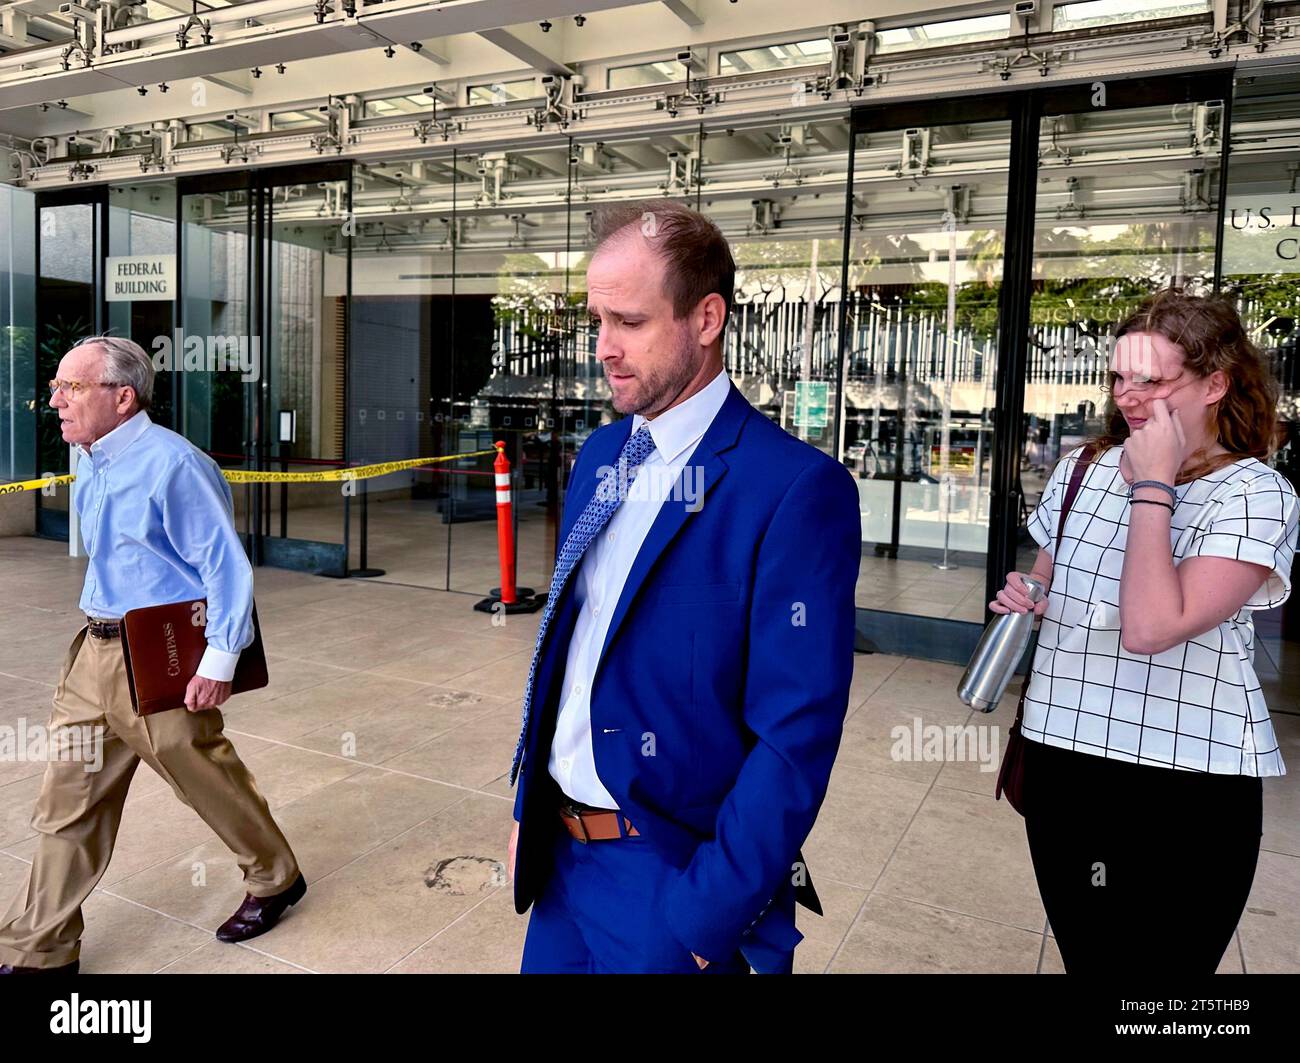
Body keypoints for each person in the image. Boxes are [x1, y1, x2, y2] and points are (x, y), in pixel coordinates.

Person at [506, 199, 862, 974]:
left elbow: (795, 736)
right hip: (558, 867)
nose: (604, 347)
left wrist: (708, 914)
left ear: (707, 318)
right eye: (597, 320)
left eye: (630, 322)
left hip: (670, 879)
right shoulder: (601, 455)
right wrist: (529, 801)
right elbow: (577, 646)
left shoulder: (796, 489)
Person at [991, 290, 1299, 974]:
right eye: (1118, 377)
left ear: (1216, 382)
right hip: (1066, 757)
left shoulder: (1255, 493)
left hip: (1184, 783)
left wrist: (1154, 484)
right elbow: (1049, 573)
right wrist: (1030, 594)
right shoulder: (1087, 467)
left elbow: (1154, 626)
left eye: (1152, 381)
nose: (1128, 397)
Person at [0, 337, 305, 975]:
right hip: (94, 650)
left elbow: (224, 567)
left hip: (160, 656)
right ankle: (39, 951)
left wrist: (218, 662)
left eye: (71, 388)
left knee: (205, 781)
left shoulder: (175, 465)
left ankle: (276, 877)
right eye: (56, 387)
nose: (54, 400)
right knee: (66, 802)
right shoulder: (90, 458)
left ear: (122, 395)